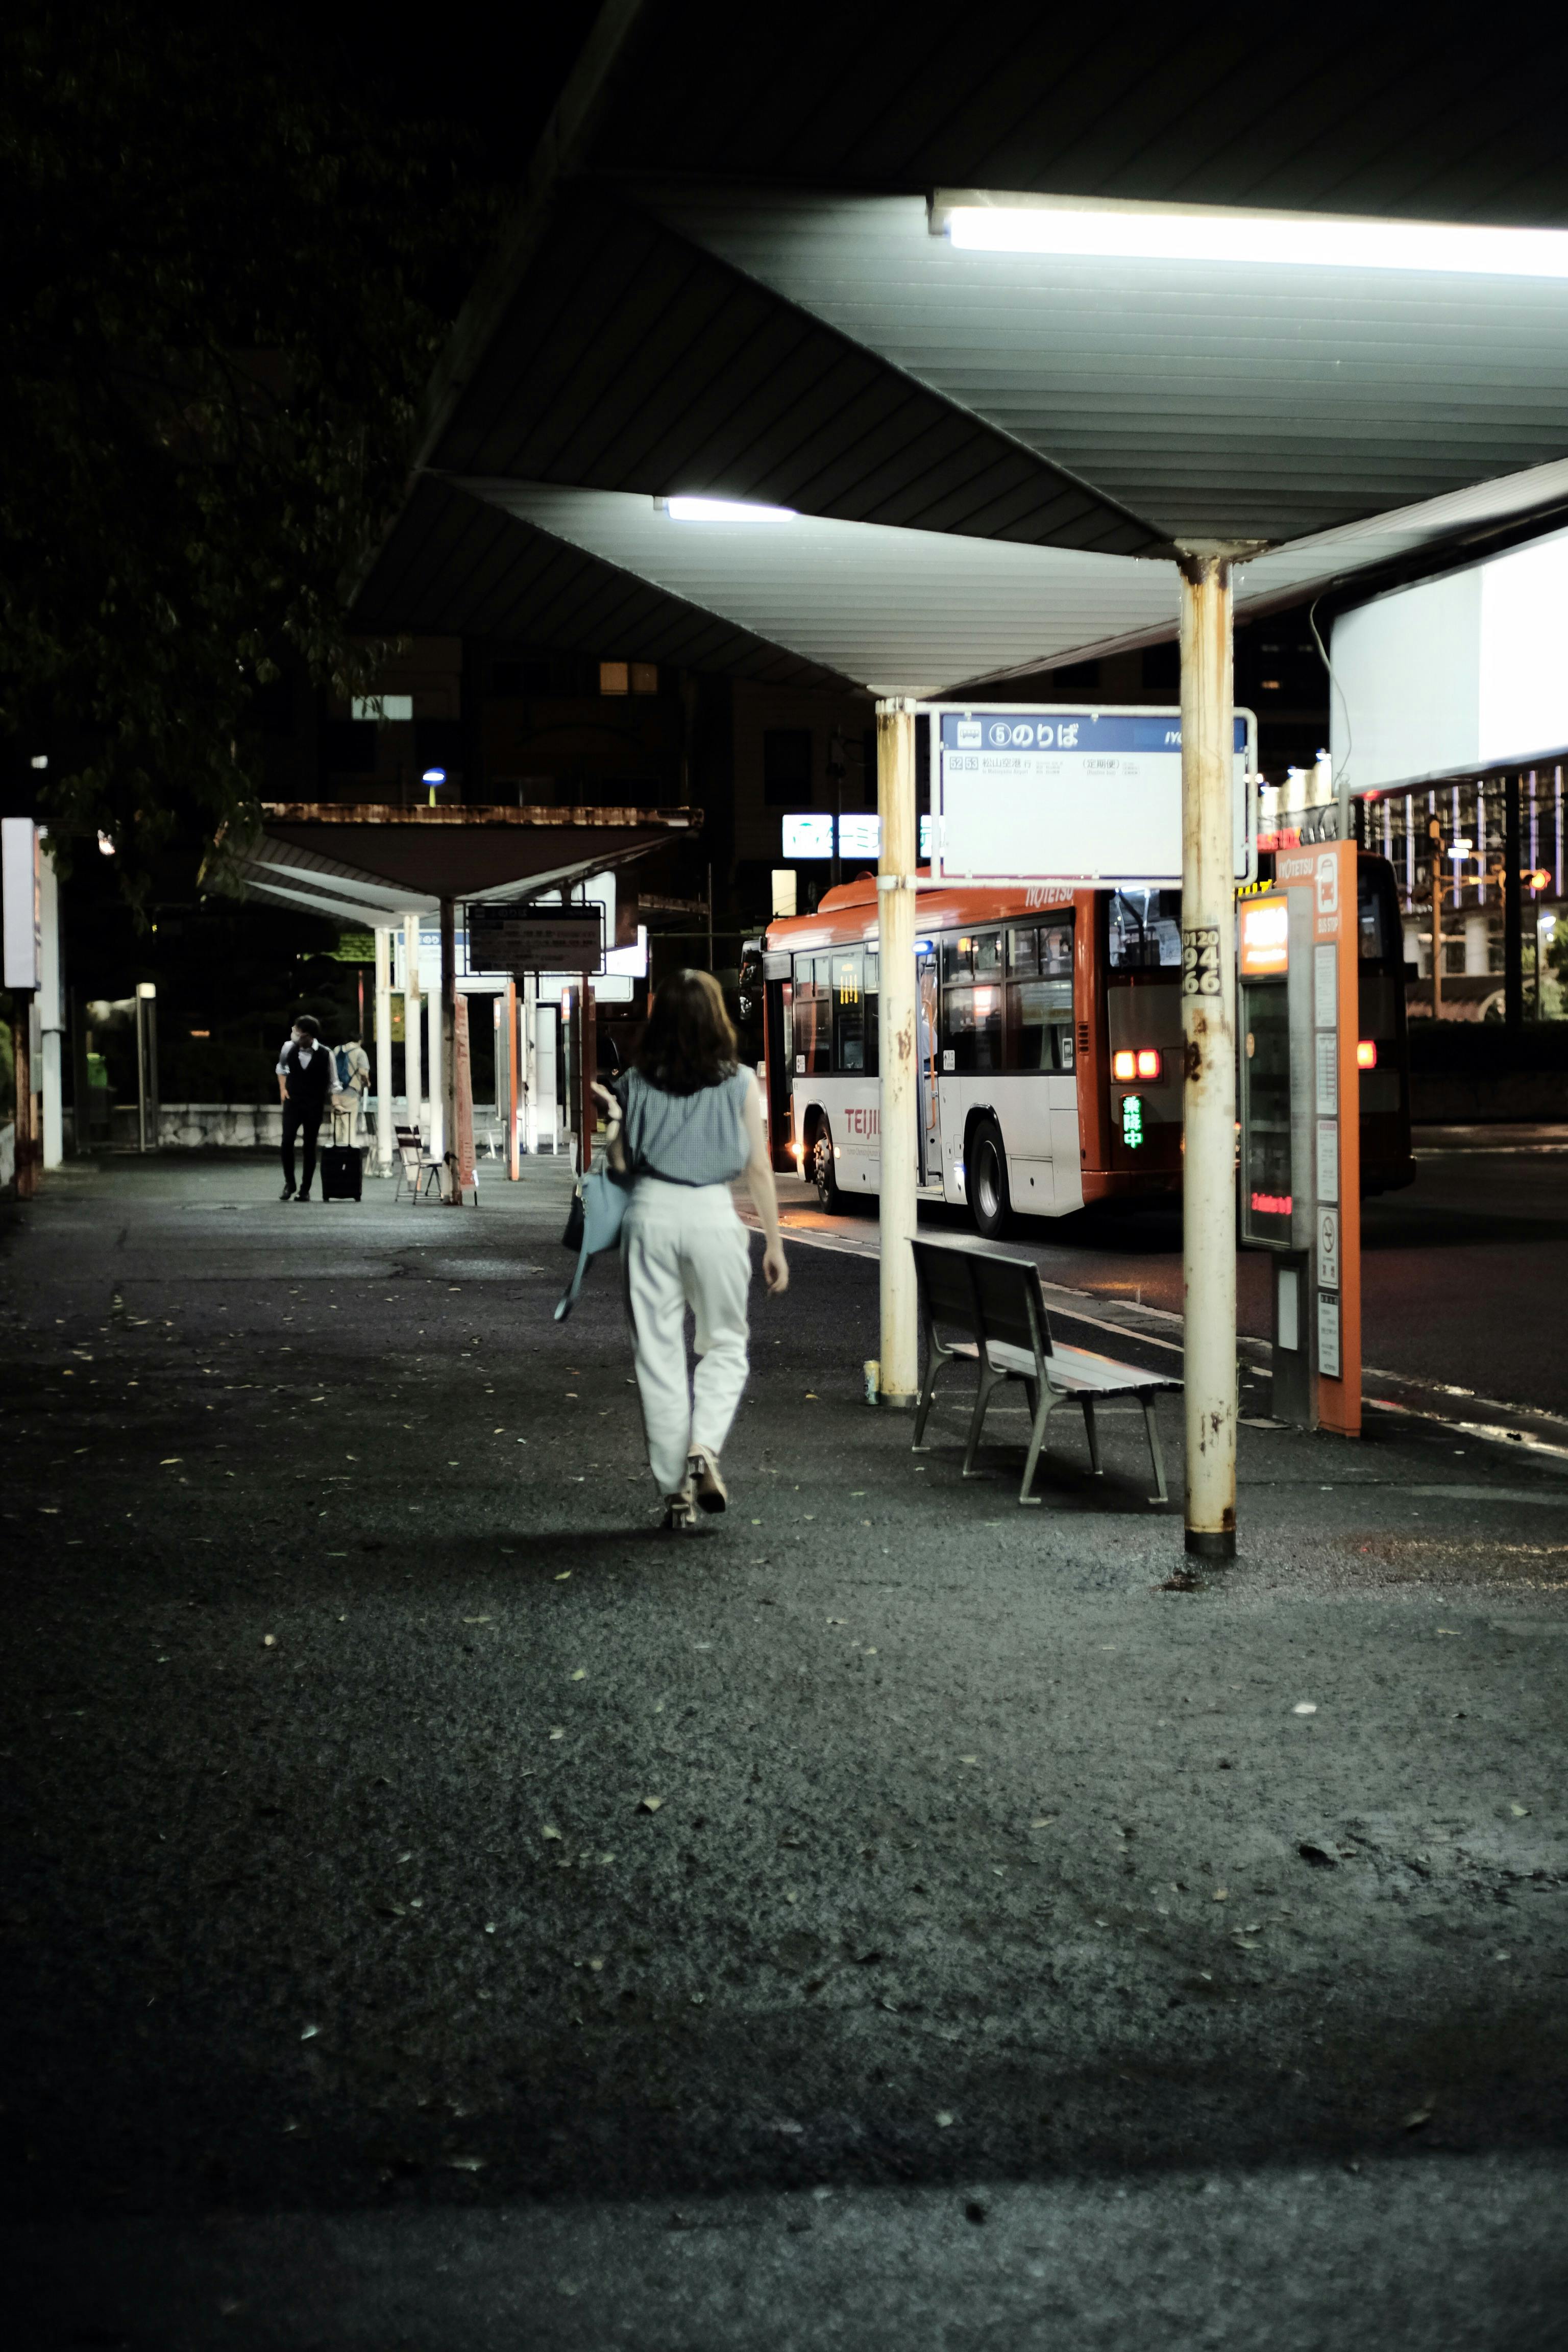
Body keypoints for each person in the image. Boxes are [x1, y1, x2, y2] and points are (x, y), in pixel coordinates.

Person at [594, 968, 787, 1530]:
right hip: (712, 1215)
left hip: (650, 1214)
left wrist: (613, 1121)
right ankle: (705, 1447)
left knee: (657, 1357)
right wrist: (774, 1243)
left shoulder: (635, 1083)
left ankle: (676, 1494)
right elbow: (758, 1168)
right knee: (726, 1343)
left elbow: (621, 1165)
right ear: (716, 1018)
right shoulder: (740, 1082)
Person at [276, 1015, 332, 1200]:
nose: (295, 1035)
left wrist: (335, 1103)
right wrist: (283, 1089)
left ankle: (305, 1189)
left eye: (298, 1032)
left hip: (314, 1104)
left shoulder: (325, 1054)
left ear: (309, 1036)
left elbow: (334, 1082)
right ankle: (289, 1183)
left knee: (309, 1146)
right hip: (293, 1102)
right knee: (287, 1142)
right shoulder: (288, 1048)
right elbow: (281, 1068)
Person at [330, 1029, 372, 1146]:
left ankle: (336, 1147)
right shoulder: (360, 1053)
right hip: (351, 1092)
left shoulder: (337, 1050)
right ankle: (349, 1149)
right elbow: (363, 1073)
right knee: (350, 1123)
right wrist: (367, 1084)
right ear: (360, 1040)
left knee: (337, 1123)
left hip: (336, 1093)